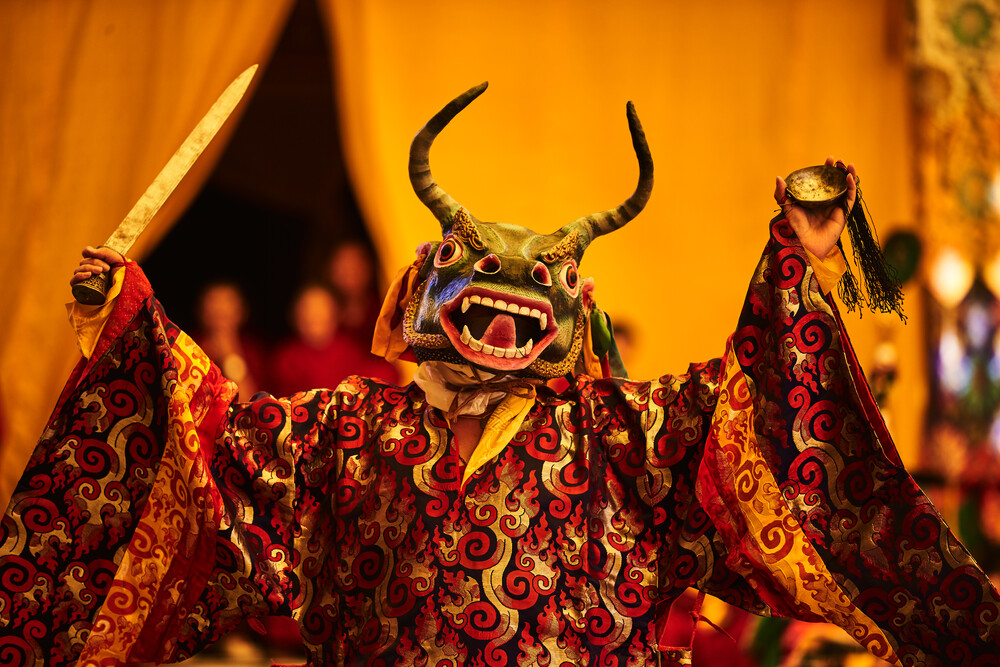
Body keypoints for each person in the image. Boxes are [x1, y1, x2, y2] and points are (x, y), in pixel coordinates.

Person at [2, 83, 998, 667]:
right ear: (417, 289)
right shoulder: (343, 429)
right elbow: (212, 445)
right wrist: (128, 318)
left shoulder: (619, 434)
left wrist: (795, 253)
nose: (507, 298)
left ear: (576, 307)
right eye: (475, 273)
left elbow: (751, 410)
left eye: (540, 284)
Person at [272, 283, 398, 396]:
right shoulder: (286, 359)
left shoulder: (350, 351)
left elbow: (382, 377)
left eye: (321, 309)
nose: (314, 315)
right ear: (296, 317)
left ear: (336, 314)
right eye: (307, 310)